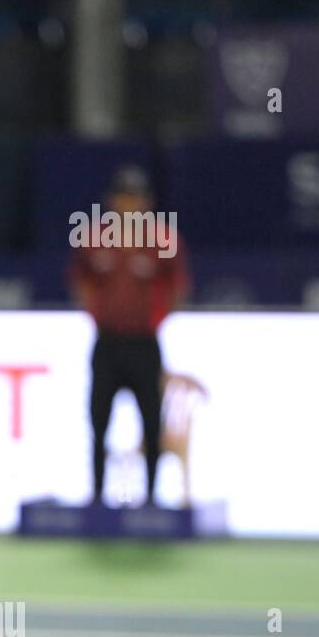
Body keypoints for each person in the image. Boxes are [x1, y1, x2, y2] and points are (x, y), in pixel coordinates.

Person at [69, 167, 190, 506]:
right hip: (107, 343)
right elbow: (82, 282)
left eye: (135, 198)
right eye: (123, 197)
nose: (129, 205)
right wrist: (99, 315)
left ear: (147, 203)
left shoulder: (163, 241)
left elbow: (177, 288)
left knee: (151, 420)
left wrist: (153, 319)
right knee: (98, 421)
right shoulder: (94, 238)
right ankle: (95, 496)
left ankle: (151, 498)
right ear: (112, 201)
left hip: (143, 345)